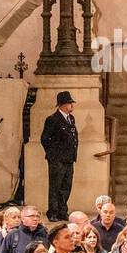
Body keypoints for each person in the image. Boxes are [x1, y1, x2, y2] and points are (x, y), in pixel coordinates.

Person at [40, 91, 79, 221]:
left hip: (68, 158)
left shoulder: (70, 118)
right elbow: (45, 139)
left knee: (66, 187)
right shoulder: (53, 119)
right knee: (55, 187)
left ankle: (63, 211)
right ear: (62, 105)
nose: (72, 105)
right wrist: (52, 155)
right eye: (69, 103)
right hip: (57, 159)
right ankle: (53, 212)